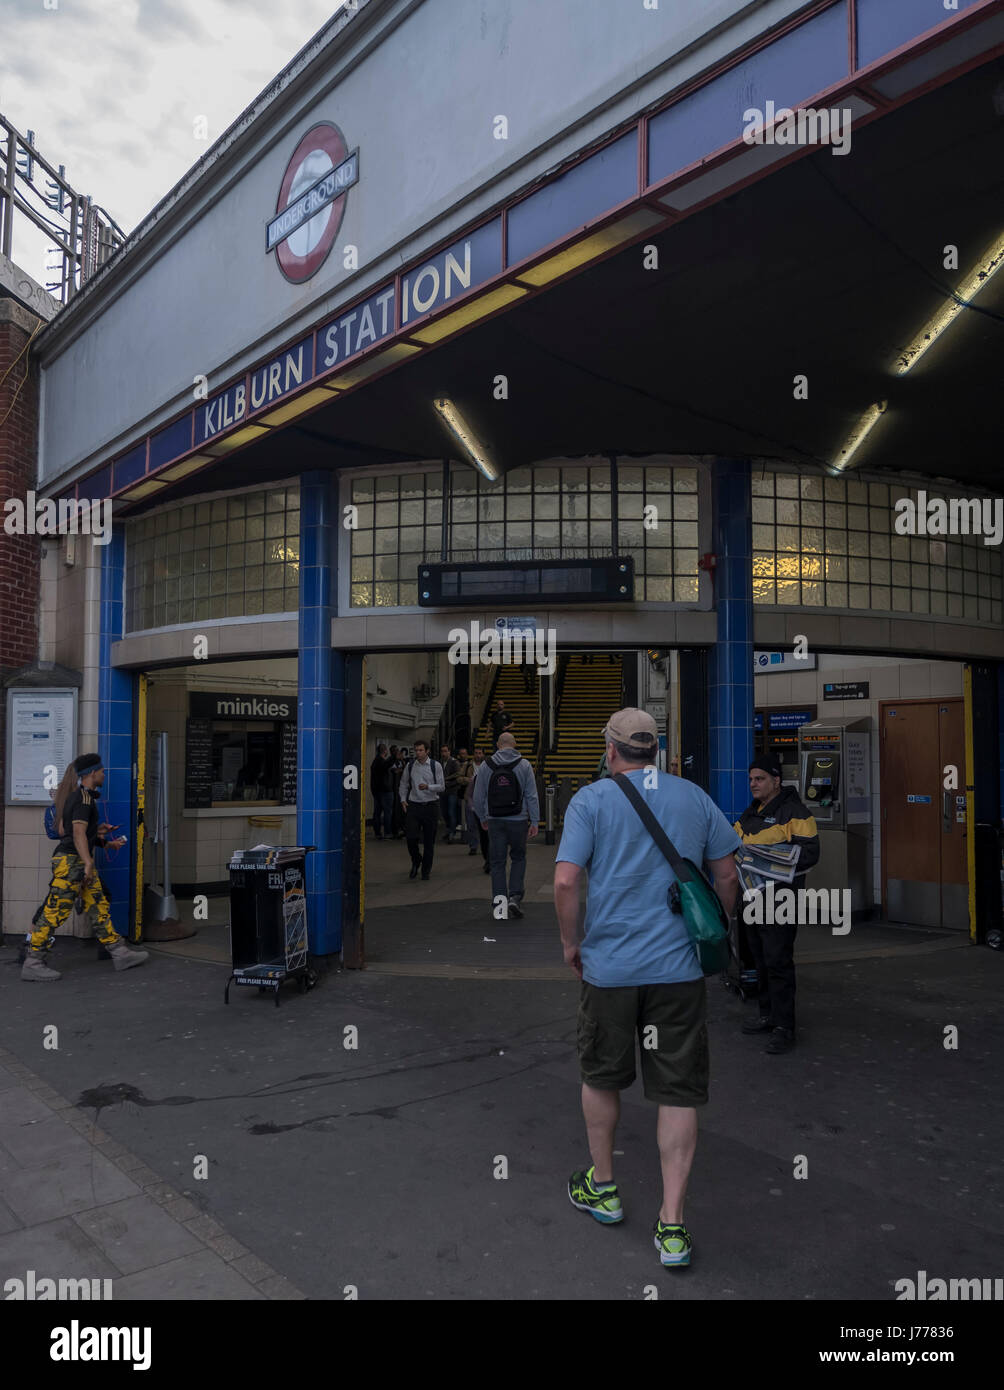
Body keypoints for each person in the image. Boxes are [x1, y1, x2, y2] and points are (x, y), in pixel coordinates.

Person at [553, 708, 740, 1267]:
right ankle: (673, 1226)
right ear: (655, 750)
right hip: (678, 973)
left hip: (609, 970)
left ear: (611, 750)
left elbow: (565, 879)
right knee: (677, 1091)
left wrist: (572, 942)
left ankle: (604, 1190)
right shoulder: (692, 796)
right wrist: (714, 928)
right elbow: (727, 874)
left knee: (601, 1074)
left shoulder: (591, 800)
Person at [23, 752, 149, 981]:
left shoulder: (82, 797)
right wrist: (89, 862)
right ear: (91, 773)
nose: (104, 774)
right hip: (71, 863)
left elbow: (77, 831)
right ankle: (33, 962)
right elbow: (77, 833)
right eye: (101, 771)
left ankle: (120, 953)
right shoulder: (83, 799)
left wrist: (105, 841)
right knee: (55, 912)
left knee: (98, 907)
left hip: (74, 861)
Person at [733, 755, 819, 1055]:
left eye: (760, 779)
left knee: (778, 962)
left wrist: (763, 857)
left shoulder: (795, 812)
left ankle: (784, 1027)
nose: (753, 784)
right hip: (752, 897)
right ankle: (768, 1015)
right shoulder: (752, 811)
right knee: (760, 960)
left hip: (780, 899)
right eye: (751, 779)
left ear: (776, 781)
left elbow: (810, 854)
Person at [473, 731, 539, 919]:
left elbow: (478, 797)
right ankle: (515, 897)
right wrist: (534, 821)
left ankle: (499, 906)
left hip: (495, 820)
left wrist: (482, 817)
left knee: (497, 862)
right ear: (515, 744)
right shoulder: (524, 765)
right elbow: (531, 796)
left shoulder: (486, 765)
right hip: (518, 820)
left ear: (497, 745)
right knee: (518, 857)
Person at [399, 740, 444, 881]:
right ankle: (416, 859)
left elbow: (442, 786)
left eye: (420, 750)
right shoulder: (410, 765)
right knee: (411, 838)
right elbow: (404, 783)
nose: (418, 753)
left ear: (427, 751)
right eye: (416, 750)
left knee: (429, 841)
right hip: (414, 805)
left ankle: (426, 871)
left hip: (430, 806)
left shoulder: (435, 765)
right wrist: (402, 799)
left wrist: (429, 787)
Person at [464, 748, 490, 870]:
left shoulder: (494, 778)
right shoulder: (475, 779)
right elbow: (468, 794)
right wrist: (472, 806)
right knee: (484, 837)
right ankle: (487, 859)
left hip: (493, 812)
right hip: (479, 812)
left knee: (492, 837)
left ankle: (491, 860)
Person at [370, 742, 394, 840]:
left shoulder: (375, 761)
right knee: (387, 812)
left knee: (377, 812)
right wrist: (394, 757)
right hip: (385, 791)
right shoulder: (381, 761)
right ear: (385, 751)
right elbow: (386, 765)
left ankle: (377, 833)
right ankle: (388, 833)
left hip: (376, 791)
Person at [439, 743, 460, 842]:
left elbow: (458, 778)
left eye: (445, 751)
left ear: (449, 752)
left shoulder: (454, 762)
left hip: (452, 791)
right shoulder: (439, 763)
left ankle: (452, 831)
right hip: (442, 792)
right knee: (444, 812)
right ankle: (448, 829)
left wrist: (447, 783)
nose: (443, 753)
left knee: (451, 812)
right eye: (442, 751)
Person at [388, 746, 407, 838]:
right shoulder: (390, 761)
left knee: (402, 810)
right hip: (394, 789)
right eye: (395, 751)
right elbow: (394, 771)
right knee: (395, 810)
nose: (398, 752)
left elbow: (404, 771)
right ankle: (395, 829)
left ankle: (402, 828)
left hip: (401, 788)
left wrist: (402, 761)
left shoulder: (401, 761)